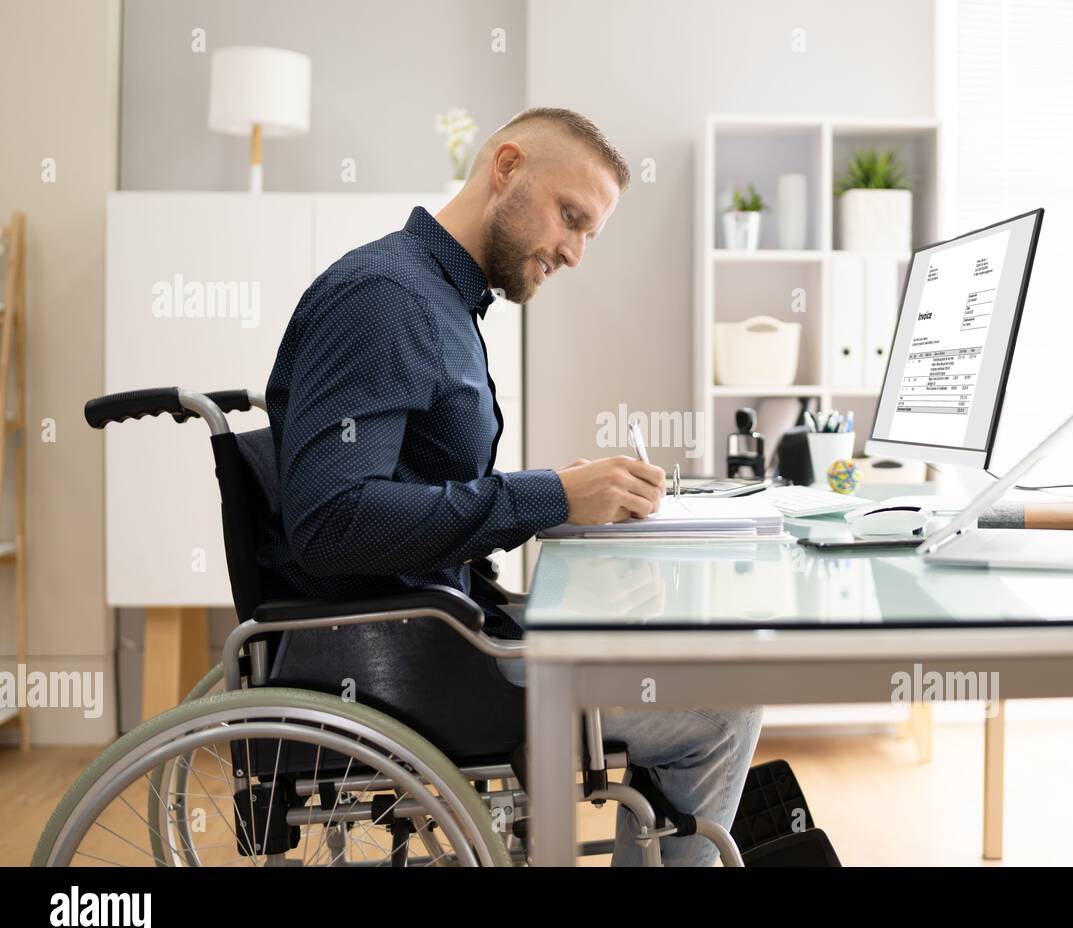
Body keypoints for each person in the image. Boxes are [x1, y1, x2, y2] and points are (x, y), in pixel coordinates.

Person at [258, 107, 761, 866]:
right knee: (723, 707)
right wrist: (550, 495)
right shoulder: (386, 297)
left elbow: (413, 488)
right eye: (571, 217)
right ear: (506, 169)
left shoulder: (438, 296)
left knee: (678, 650)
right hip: (406, 663)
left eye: (589, 234)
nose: (574, 252)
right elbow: (333, 522)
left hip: (441, 633)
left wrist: (564, 492)